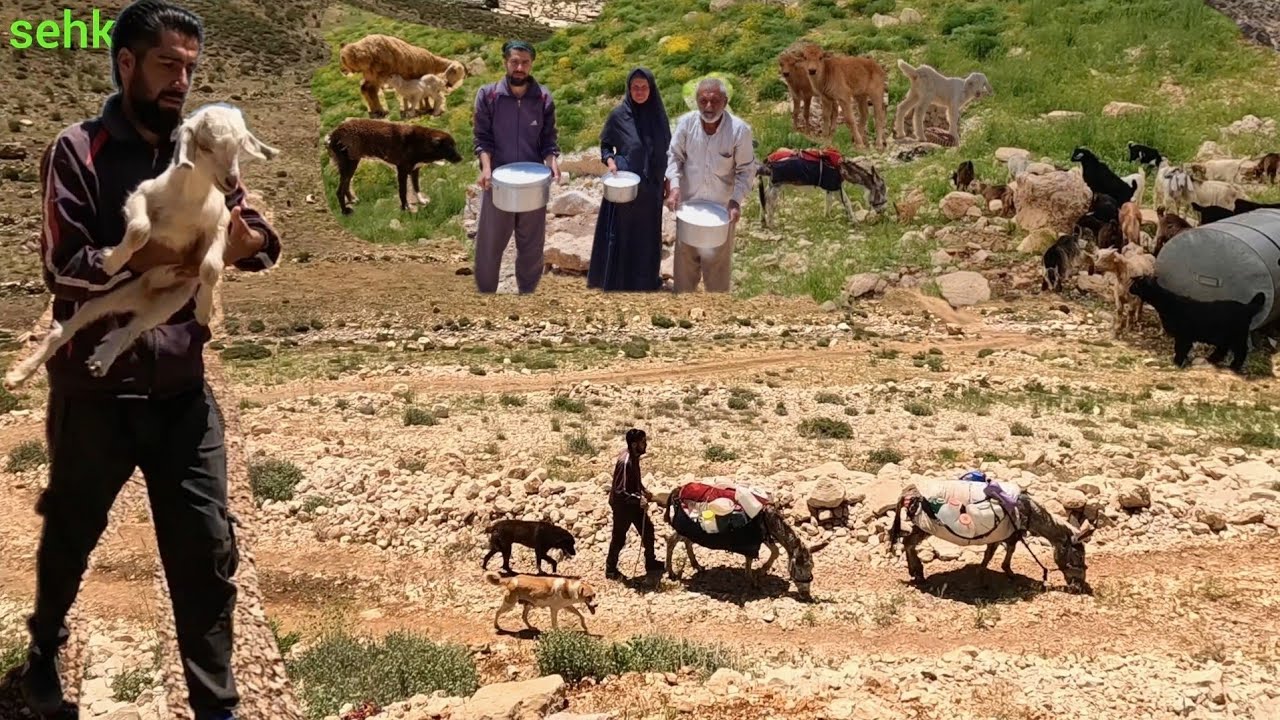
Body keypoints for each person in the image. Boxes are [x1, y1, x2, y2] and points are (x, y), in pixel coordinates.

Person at [17, 2, 281, 719]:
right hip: (96, 391)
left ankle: (215, 705)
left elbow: (255, 234)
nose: (180, 82)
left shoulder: (203, 144)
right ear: (126, 63)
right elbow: (65, 267)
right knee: (71, 532)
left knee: (206, 551)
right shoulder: (77, 151)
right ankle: (44, 655)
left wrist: (248, 241)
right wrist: (158, 256)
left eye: (189, 68)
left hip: (181, 389)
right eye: (167, 64)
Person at [472, 39, 561, 294]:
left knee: (531, 245)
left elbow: (548, 140)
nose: (519, 68)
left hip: (532, 182)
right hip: (497, 181)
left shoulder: (543, 98)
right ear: (505, 63)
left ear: (531, 64)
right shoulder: (488, 96)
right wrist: (486, 169)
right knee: (490, 244)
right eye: (514, 62)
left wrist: (552, 162)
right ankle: (486, 295)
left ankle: (527, 295)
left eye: (525, 62)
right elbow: (482, 139)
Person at [664, 77, 756, 293]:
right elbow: (674, 157)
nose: (708, 106)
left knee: (717, 273)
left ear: (725, 101)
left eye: (714, 101)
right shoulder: (686, 124)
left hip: (720, 213)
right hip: (689, 209)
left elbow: (746, 169)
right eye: (703, 101)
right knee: (685, 269)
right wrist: (674, 187)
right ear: (696, 101)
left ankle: (717, 310)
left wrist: (735, 201)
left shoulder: (739, 131)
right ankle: (683, 308)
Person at [587, 68, 672, 292]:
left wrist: (668, 179)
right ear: (629, 89)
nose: (640, 91)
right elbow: (606, 145)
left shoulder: (658, 116)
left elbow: (668, 151)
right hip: (624, 184)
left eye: (644, 87)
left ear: (651, 89)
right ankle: (617, 281)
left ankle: (644, 281)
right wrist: (610, 162)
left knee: (646, 233)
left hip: (652, 186)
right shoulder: (618, 115)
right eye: (635, 87)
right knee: (622, 231)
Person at [605, 428, 663, 580]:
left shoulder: (634, 456)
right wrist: (639, 499)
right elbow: (621, 490)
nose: (645, 444)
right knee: (619, 538)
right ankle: (610, 570)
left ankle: (650, 562)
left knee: (648, 530)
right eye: (643, 442)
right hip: (622, 506)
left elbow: (634, 480)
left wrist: (643, 490)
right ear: (634, 444)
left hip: (633, 502)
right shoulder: (625, 462)